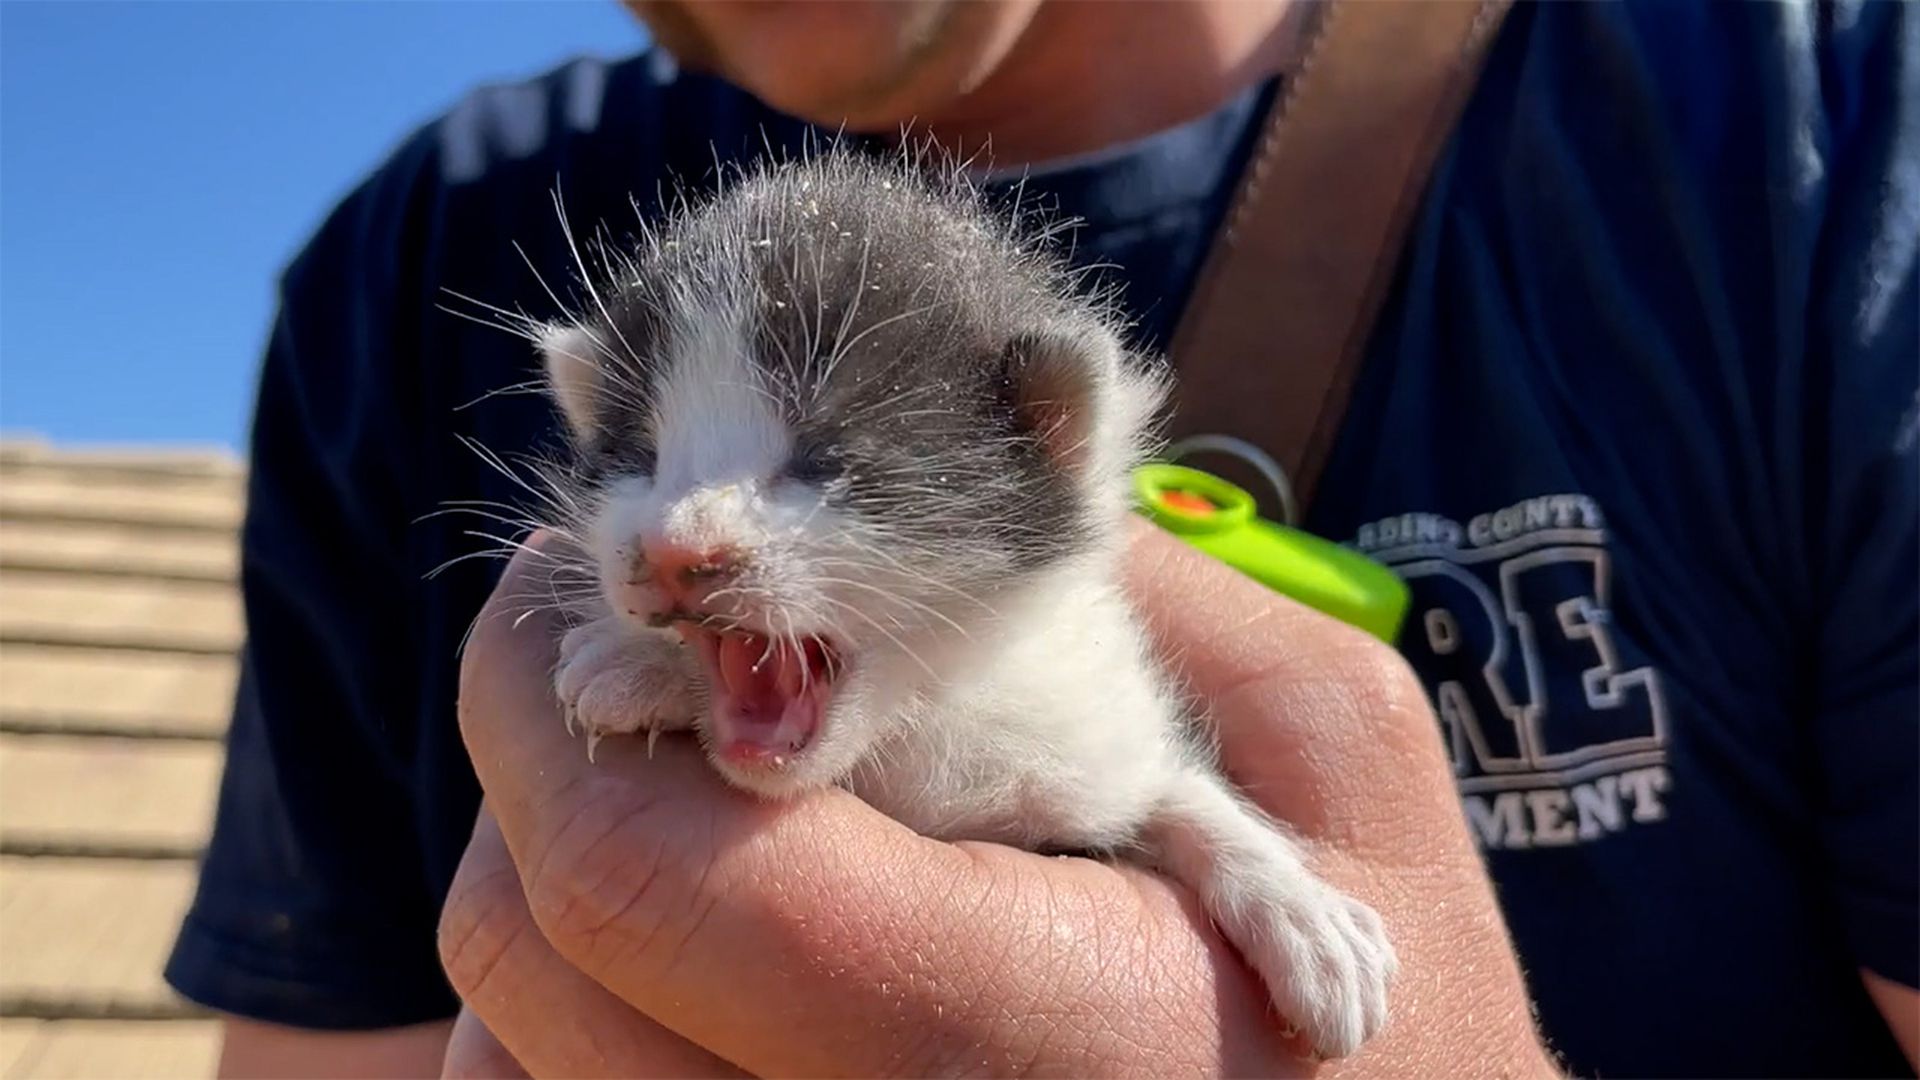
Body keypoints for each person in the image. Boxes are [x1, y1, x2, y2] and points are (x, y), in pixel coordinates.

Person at [165, 1, 1918, 1076]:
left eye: (812, 471)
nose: (682, 538)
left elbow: (1126, 784)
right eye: (634, 463)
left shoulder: (1803, 121)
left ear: (1052, 435)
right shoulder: (414, 269)